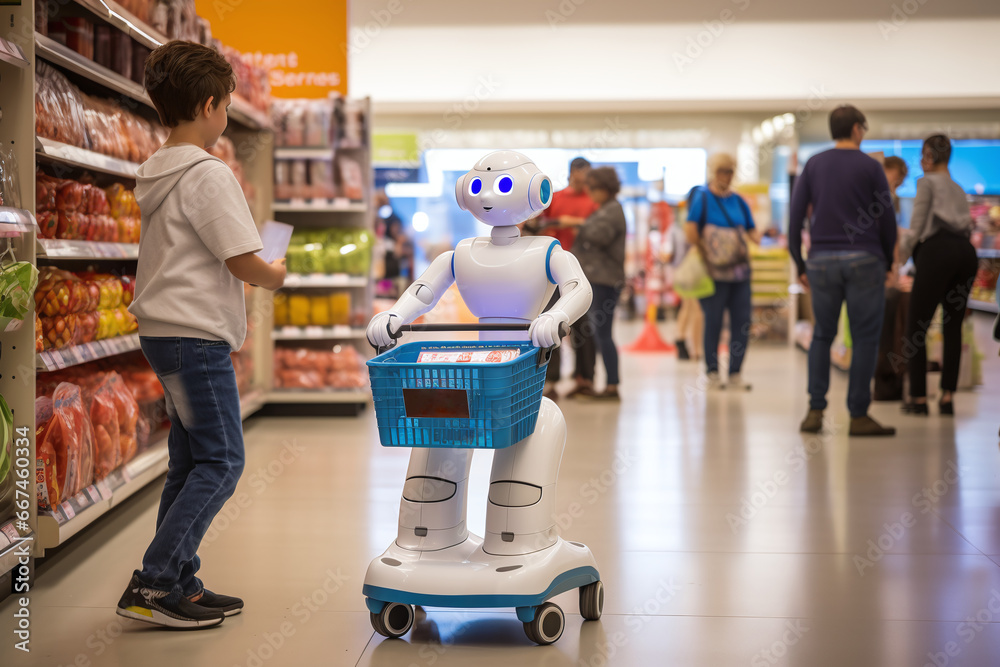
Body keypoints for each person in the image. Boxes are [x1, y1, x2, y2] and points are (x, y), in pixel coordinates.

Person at [119, 41, 286, 628]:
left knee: (189, 462)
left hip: (166, 335)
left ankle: (181, 579)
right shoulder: (208, 173)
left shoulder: (157, 171)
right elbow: (243, 260)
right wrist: (276, 274)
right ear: (211, 105)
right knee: (222, 462)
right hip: (196, 339)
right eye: (225, 109)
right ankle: (155, 582)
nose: (224, 120)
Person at [789, 105, 897, 437]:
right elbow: (886, 217)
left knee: (822, 334)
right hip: (865, 259)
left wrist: (800, 262)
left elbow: (795, 217)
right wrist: (889, 263)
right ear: (855, 129)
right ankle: (858, 415)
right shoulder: (870, 167)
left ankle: (815, 411)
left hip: (821, 261)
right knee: (865, 338)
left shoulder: (814, 165)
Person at [900, 135, 977, 415]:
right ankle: (947, 397)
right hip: (966, 255)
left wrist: (898, 259)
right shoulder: (958, 188)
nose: (921, 161)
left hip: (936, 253)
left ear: (929, 155)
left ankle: (918, 398)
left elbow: (917, 227)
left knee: (916, 327)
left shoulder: (926, 183)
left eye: (922, 155)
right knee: (952, 326)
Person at [685, 154, 759, 390]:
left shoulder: (739, 201)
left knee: (741, 322)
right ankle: (713, 371)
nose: (726, 176)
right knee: (713, 321)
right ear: (713, 172)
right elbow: (690, 229)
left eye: (729, 171)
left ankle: (735, 372)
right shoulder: (703, 198)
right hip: (712, 273)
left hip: (739, 273)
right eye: (722, 171)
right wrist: (706, 251)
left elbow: (752, 231)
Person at [529, 157, 599, 398]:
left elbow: (597, 228)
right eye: (584, 175)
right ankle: (550, 381)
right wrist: (562, 223)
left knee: (584, 329)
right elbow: (537, 224)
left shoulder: (593, 201)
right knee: (550, 324)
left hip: (583, 273)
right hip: (553, 272)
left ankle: (584, 379)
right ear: (573, 173)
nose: (586, 181)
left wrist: (576, 223)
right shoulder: (556, 198)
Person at [572, 166, 627, 401]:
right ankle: (610, 384)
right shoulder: (606, 209)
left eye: (593, 188)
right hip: (600, 279)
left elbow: (599, 236)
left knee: (603, 334)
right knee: (600, 333)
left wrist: (577, 224)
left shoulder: (612, 210)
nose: (590, 193)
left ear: (605, 189)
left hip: (605, 280)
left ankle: (612, 386)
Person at [665, 210, 703, 361]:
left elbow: (670, 251)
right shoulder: (693, 222)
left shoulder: (677, 222)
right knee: (697, 310)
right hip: (693, 272)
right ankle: (697, 349)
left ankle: (680, 338)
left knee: (687, 306)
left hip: (679, 271)